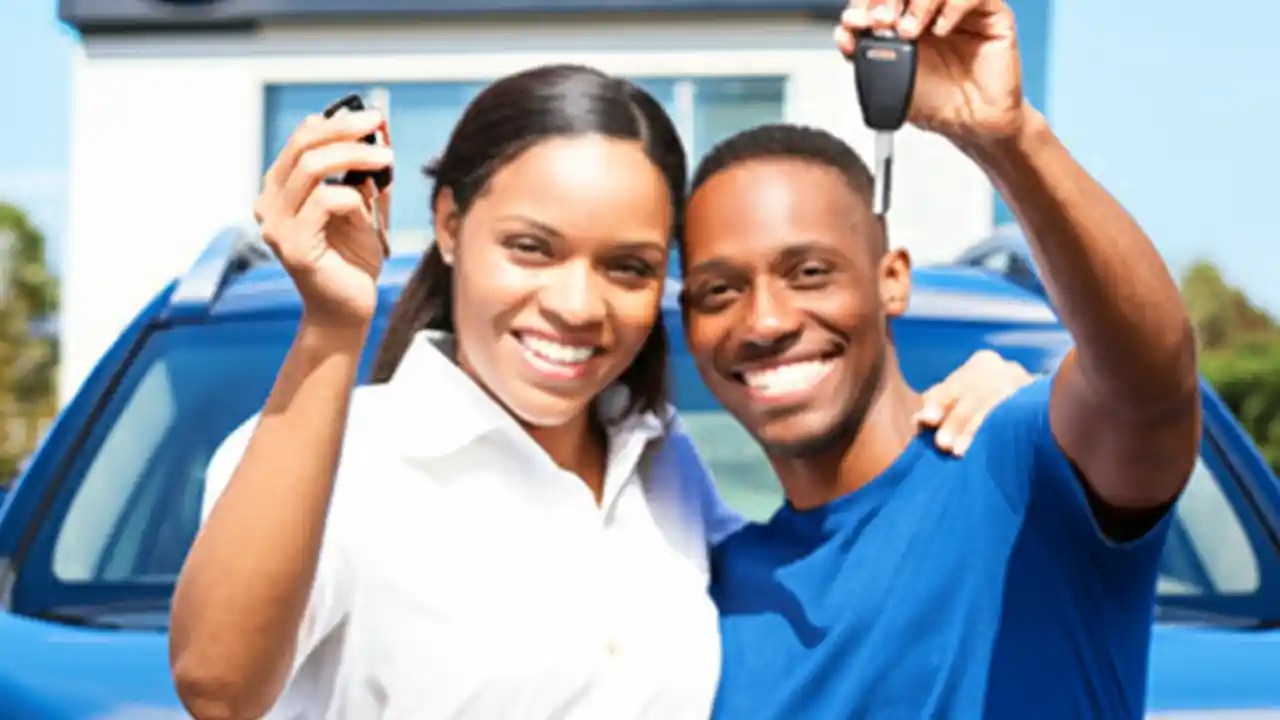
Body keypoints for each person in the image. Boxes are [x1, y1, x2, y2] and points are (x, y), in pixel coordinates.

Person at [169, 63, 1031, 720]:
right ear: (448, 223)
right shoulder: (338, 457)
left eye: (628, 267)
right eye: (532, 248)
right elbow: (218, 685)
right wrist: (330, 324)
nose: (578, 306)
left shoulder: (664, 469)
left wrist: (1004, 409)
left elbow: (824, 577)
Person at [686, 1, 1202, 718]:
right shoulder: (699, 601)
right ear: (689, 325)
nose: (766, 319)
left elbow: (1151, 380)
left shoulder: (1019, 464)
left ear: (892, 278)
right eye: (719, 289)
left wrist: (1010, 138)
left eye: (809, 272)